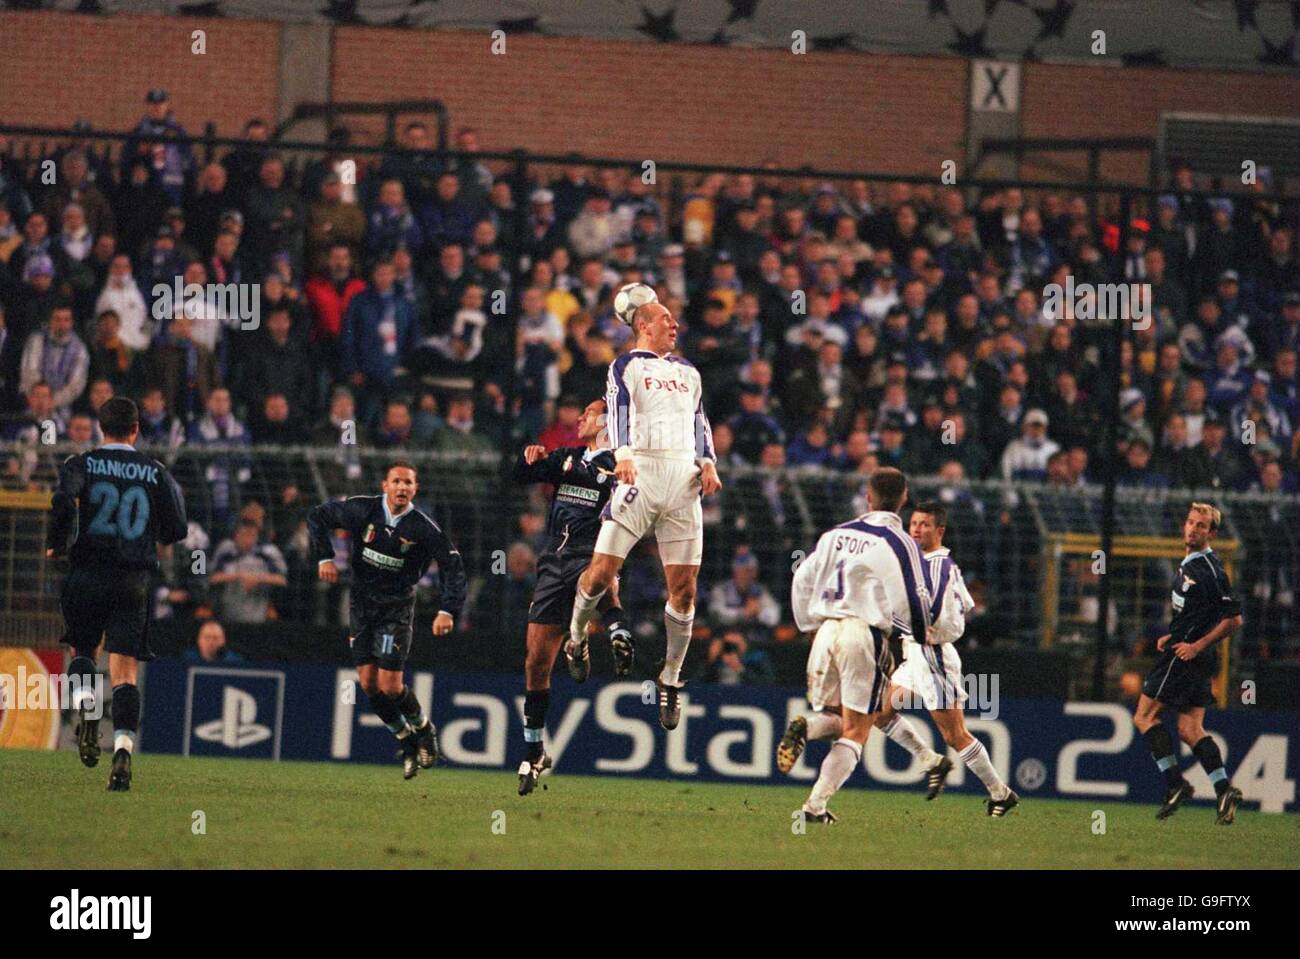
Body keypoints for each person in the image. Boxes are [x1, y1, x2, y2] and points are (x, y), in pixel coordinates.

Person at [791, 500, 1017, 815]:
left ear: (940, 530)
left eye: (925, 525)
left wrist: (895, 621)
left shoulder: (938, 563)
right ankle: (930, 761)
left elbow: (932, 611)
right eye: (913, 524)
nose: (917, 530)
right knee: (880, 712)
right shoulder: (913, 560)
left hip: (933, 654)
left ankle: (1000, 792)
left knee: (954, 734)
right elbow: (962, 604)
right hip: (914, 654)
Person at [565, 301, 722, 730]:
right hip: (642, 471)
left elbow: (699, 418)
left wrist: (708, 461)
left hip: (683, 477)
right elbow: (616, 410)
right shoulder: (625, 366)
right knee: (600, 574)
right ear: (643, 325)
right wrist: (624, 453)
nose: (674, 324)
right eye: (665, 318)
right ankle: (577, 636)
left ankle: (670, 678)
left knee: (685, 590)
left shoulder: (688, 371)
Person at [45, 397, 188, 791]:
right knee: (125, 669)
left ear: (98, 427)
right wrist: (146, 531)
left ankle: (87, 715)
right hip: (133, 579)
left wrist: (57, 542)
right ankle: (122, 752)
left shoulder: (82, 463)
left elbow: (61, 500)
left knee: (82, 652)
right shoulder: (155, 472)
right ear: (136, 429)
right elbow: (177, 528)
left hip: (88, 572)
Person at [785, 467, 931, 824]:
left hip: (826, 630)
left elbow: (802, 579)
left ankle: (806, 727)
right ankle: (814, 807)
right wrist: (919, 639)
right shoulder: (900, 541)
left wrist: (809, 625)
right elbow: (913, 596)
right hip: (862, 633)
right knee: (858, 728)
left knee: (838, 717)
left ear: (868, 496)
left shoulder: (835, 535)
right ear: (904, 499)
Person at [306, 462, 466, 780]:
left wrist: (448, 609)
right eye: (397, 481)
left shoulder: (422, 527)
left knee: (389, 685)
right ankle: (406, 742)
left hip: (396, 608)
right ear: (385, 485)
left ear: (415, 490)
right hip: (361, 605)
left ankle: (424, 731)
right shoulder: (362, 510)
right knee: (367, 683)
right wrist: (324, 556)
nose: (402, 487)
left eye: (408, 483)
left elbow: (452, 564)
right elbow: (318, 516)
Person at [512, 397, 632, 795]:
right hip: (552, 563)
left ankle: (616, 629)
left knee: (600, 575)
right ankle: (534, 753)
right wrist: (528, 459)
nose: (579, 418)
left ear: (605, 421)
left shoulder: (623, 463)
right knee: (535, 663)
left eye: (588, 413)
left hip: (594, 553)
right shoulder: (568, 457)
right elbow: (520, 476)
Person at [1132, 503, 1244, 824]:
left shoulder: (1210, 570)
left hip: (1187, 657)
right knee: (1189, 728)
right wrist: (1174, 634)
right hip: (1189, 652)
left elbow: (1233, 619)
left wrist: (1195, 645)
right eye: (1191, 522)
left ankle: (1175, 783)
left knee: (1144, 716)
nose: (1193, 529)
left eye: (1201, 526)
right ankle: (1223, 789)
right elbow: (1198, 613)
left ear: (1212, 533)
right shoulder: (1190, 564)